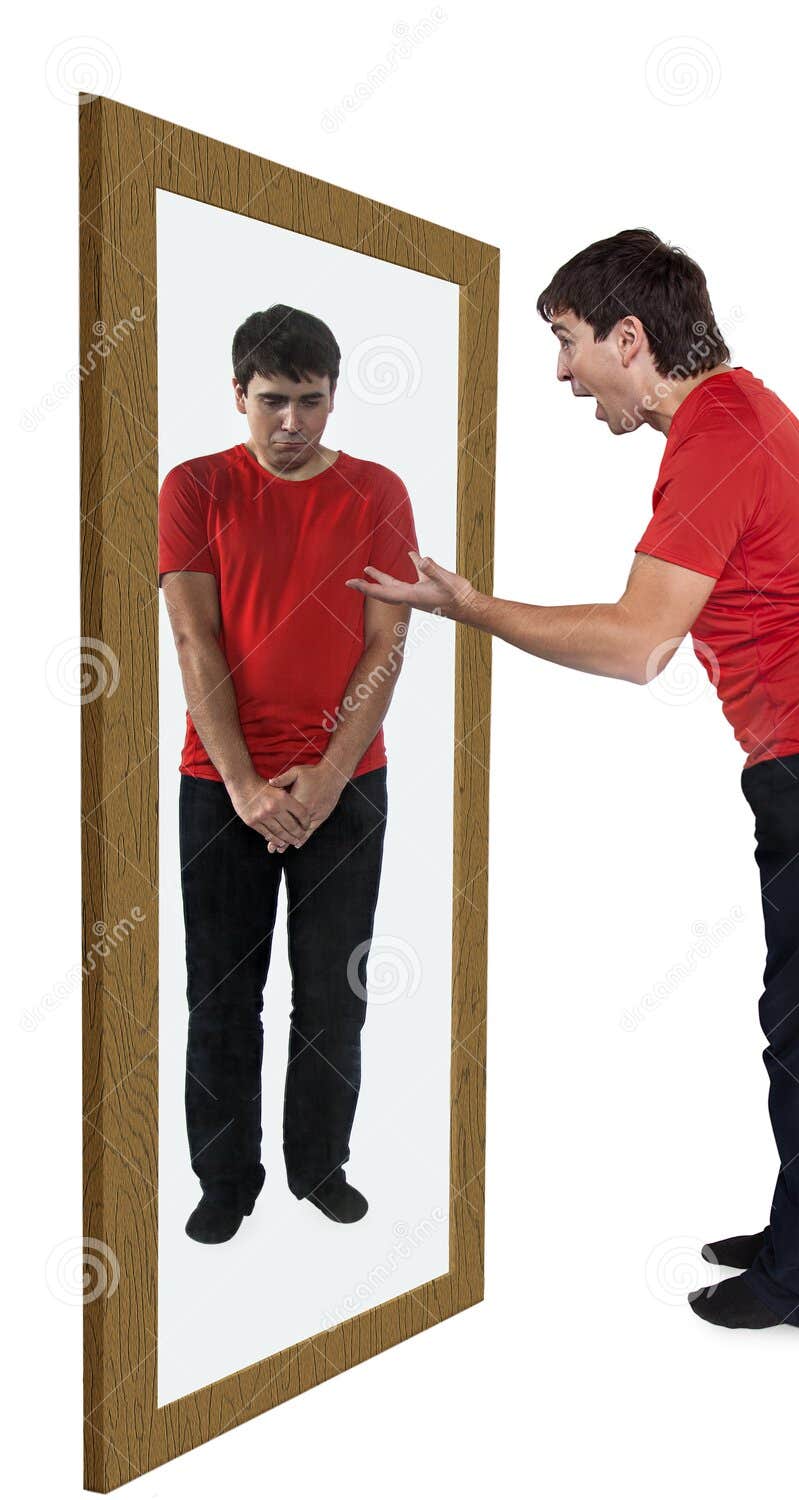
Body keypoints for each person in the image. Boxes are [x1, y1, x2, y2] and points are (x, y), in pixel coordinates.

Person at [350, 230, 799, 1331]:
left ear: (628, 338)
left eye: (567, 342)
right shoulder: (756, 411)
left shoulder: (715, 433)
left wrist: (470, 607)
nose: (563, 374)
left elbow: (635, 645)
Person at [158, 304, 419, 1245]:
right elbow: (194, 641)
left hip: (345, 788)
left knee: (332, 994)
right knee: (222, 996)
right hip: (219, 786)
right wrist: (244, 786)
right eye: (272, 401)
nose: (292, 422)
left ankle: (319, 1166)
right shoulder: (194, 487)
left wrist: (331, 773)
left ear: (334, 395)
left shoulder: (378, 491)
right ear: (238, 394)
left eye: (310, 401)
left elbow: (388, 643)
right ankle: (226, 1180)